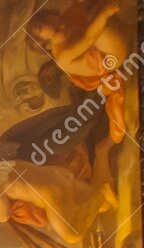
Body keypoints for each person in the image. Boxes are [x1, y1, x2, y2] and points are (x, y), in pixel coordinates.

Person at [29, 0, 135, 145]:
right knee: (101, 30)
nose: (63, 26)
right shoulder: (63, 57)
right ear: (47, 46)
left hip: (108, 43)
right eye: (58, 30)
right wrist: (105, 13)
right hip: (110, 58)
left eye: (58, 23)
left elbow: (80, 8)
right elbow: (89, 37)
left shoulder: (64, 20)